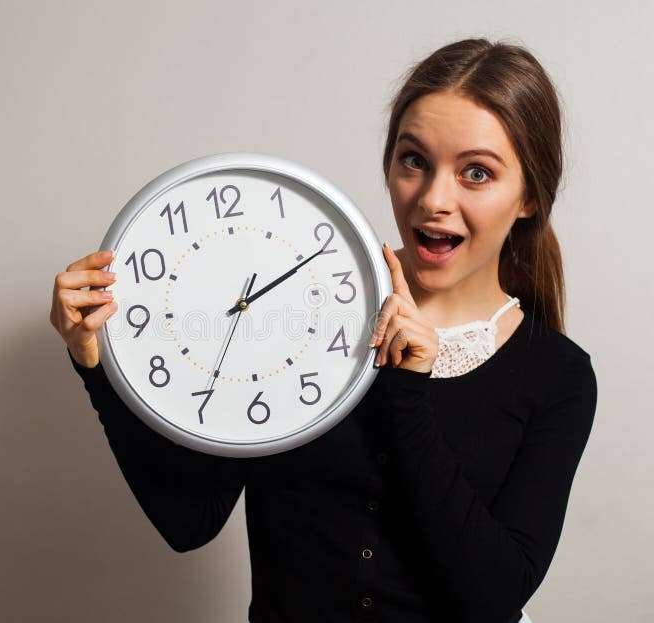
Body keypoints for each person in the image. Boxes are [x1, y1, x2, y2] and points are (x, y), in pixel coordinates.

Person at [50, 38, 597, 623]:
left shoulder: (557, 376)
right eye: (414, 160)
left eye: (477, 173)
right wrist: (96, 364)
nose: (434, 199)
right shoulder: (295, 312)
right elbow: (190, 523)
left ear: (530, 196)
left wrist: (407, 394)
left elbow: (494, 596)